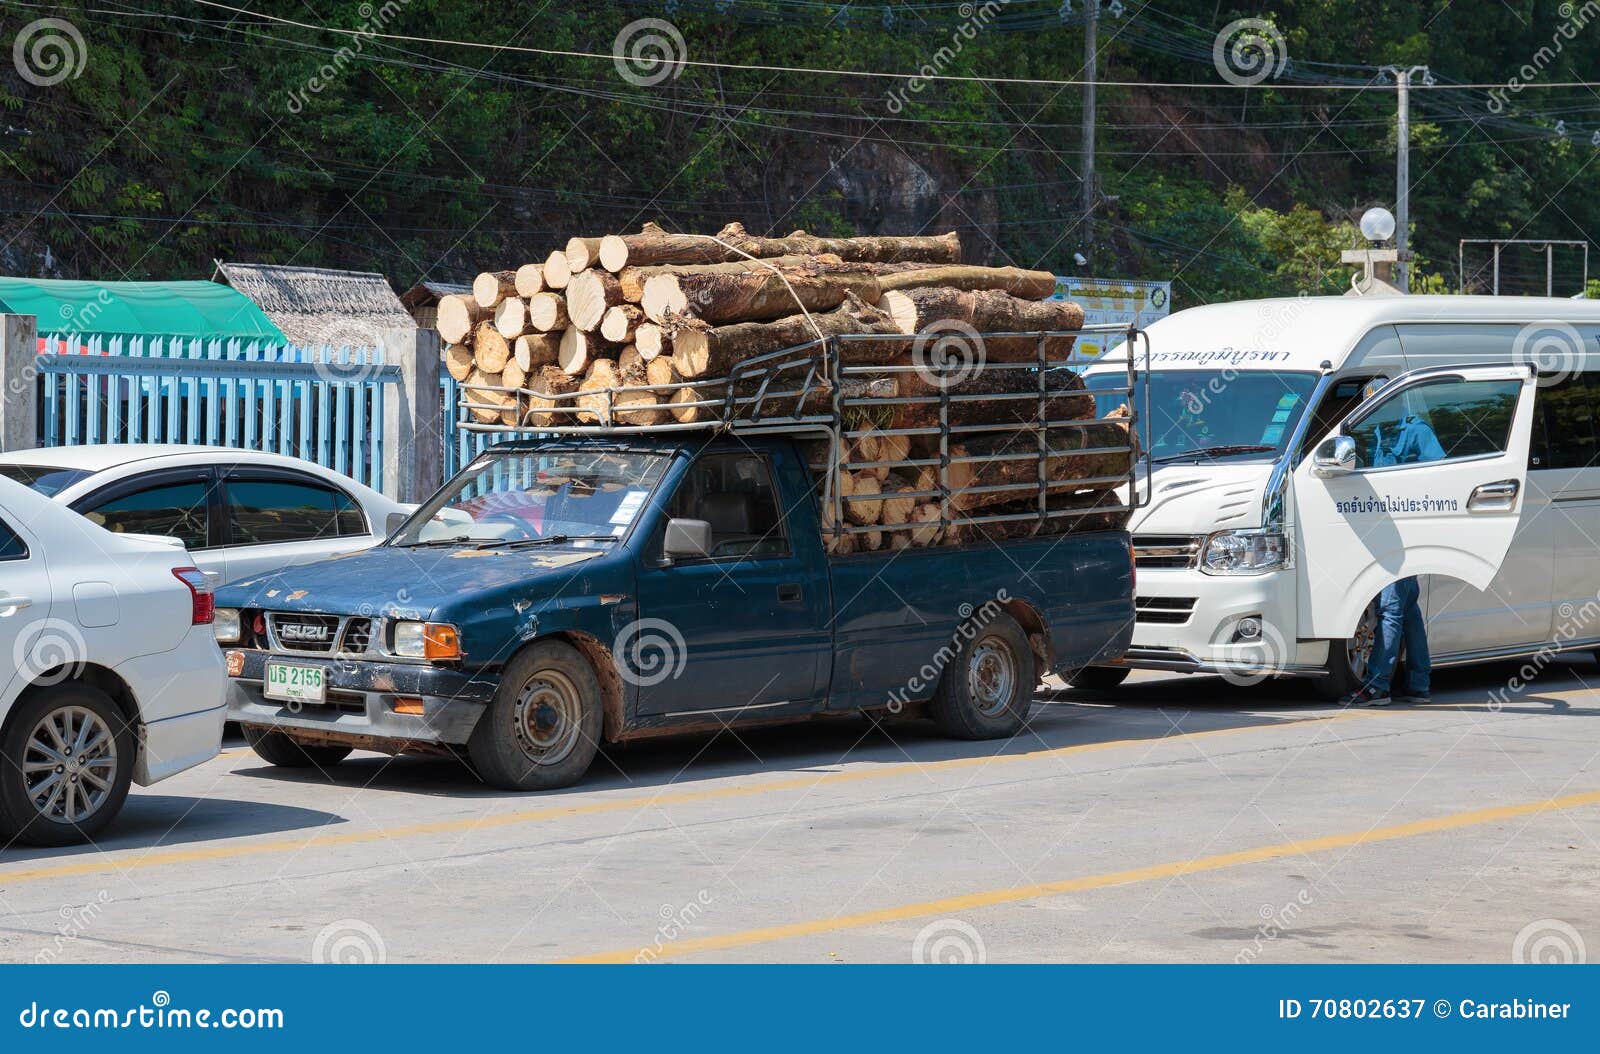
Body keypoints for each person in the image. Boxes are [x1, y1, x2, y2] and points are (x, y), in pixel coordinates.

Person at [1341, 378, 1442, 707]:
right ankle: (1418, 684)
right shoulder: (1378, 432)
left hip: (1406, 531)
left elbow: (1442, 474)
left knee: (1392, 607)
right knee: (1408, 608)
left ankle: (1377, 686)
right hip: (1384, 530)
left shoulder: (1417, 431)